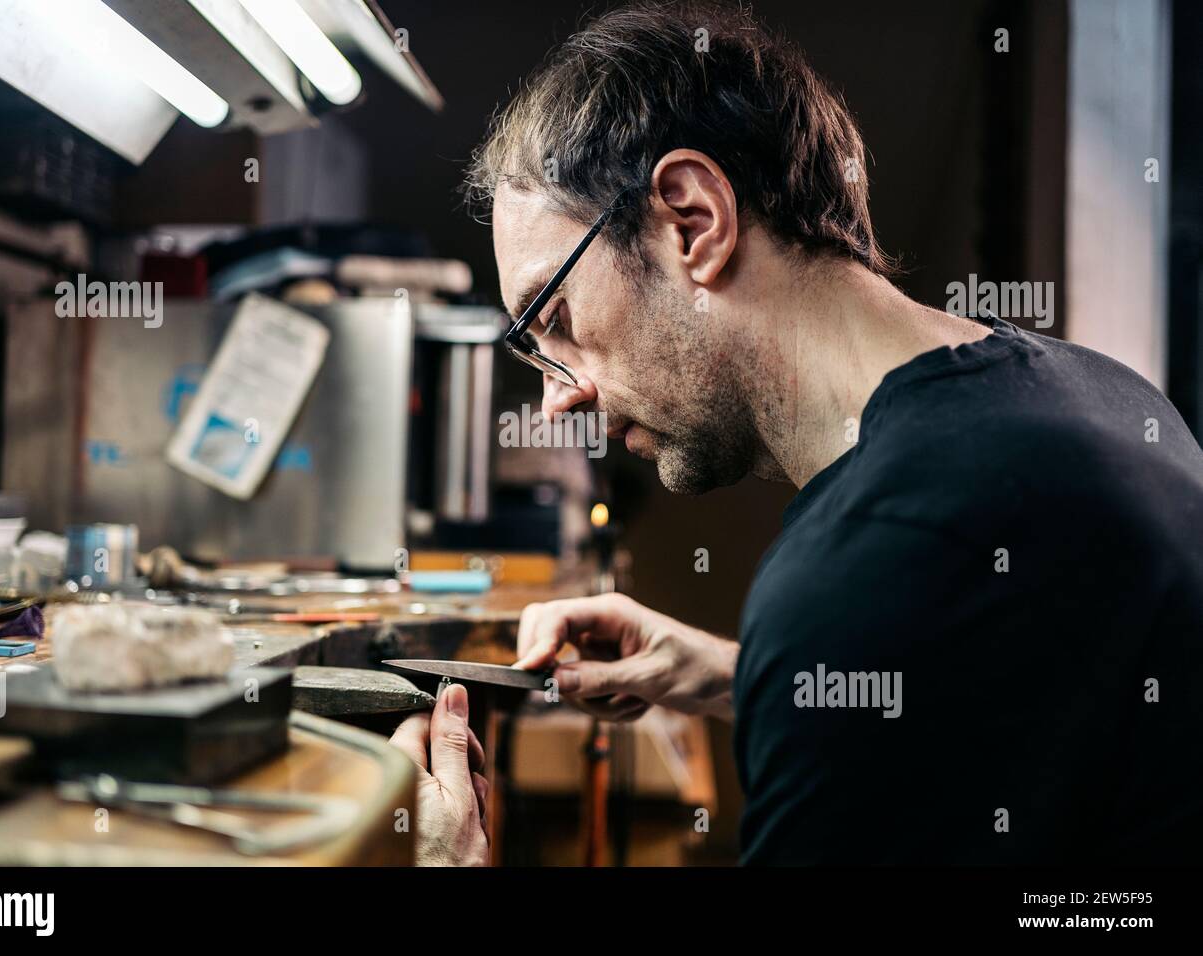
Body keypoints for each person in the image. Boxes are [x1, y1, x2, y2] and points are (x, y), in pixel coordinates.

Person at [390, 0, 1203, 865]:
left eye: (554, 317)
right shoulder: (1100, 397)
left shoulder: (879, 559)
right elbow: (1005, 709)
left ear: (692, 221)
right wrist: (741, 679)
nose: (558, 398)